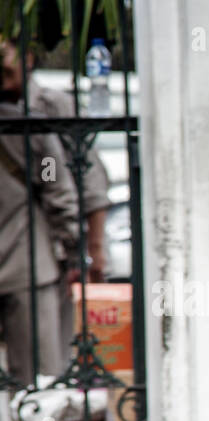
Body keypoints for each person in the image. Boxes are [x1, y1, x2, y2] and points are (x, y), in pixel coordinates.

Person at [0, 39, 111, 389]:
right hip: (31, 261)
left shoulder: (51, 108)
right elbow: (56, 187)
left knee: (39, 373)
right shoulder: (35, 126)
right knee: (40, 376)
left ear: (28, 57)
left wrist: (89, 247)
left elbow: (74, 183)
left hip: (32, 260)